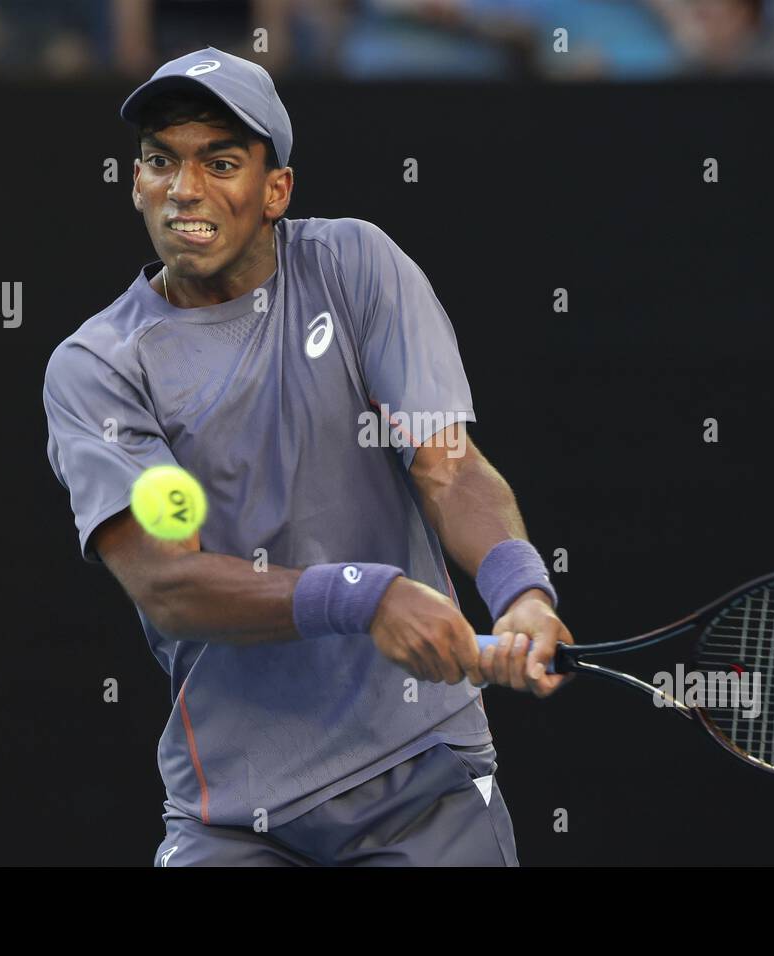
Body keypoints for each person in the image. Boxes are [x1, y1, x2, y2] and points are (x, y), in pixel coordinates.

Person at [42, 46, 574, 866]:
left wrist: (520, 591)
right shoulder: (101, 366)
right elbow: (169, 583)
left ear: (275, 191)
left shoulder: (356, 267)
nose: (185, 189)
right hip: (232, 814)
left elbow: (449, 466)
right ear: (138, 182)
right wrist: (364, 595)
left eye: (220, 162)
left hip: (420, 782)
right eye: (161, 162)